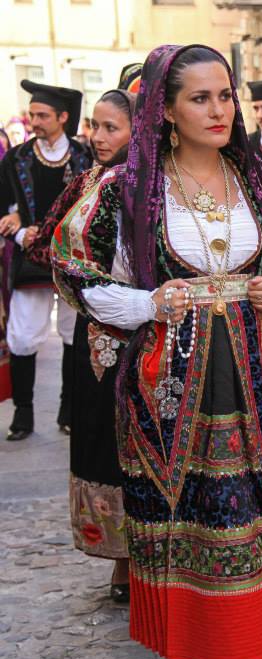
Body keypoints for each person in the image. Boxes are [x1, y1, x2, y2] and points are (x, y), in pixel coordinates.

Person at [52, 44, 262, 659]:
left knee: (247, 523)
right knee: (188, 524)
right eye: (200, 98)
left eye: (225, 95)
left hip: (258, 383)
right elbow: (73, 266)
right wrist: (144, 305)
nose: (219, 109)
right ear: (164, 109)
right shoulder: (129, 190)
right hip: (169, 386)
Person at [32, 85, 137, 602]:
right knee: (102, 439)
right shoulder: (86, 183)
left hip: (151, 335)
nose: (97, 137)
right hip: (96, 337)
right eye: (95, 126)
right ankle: (120, 558)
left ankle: (158, 557)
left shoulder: (157, 188)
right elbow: (44, 244)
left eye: (110, 127)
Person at [0, 80, 91, 440]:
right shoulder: (17, 157)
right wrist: (20, 230)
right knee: (22, 334)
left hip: (72, 260)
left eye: (42, 115)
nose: (34, 121)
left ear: (63, 117)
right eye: (33, 114)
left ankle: (69, 410)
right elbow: (4, 206)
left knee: (73, 334)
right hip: (29, 260)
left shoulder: (85, 157)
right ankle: (23, 414)